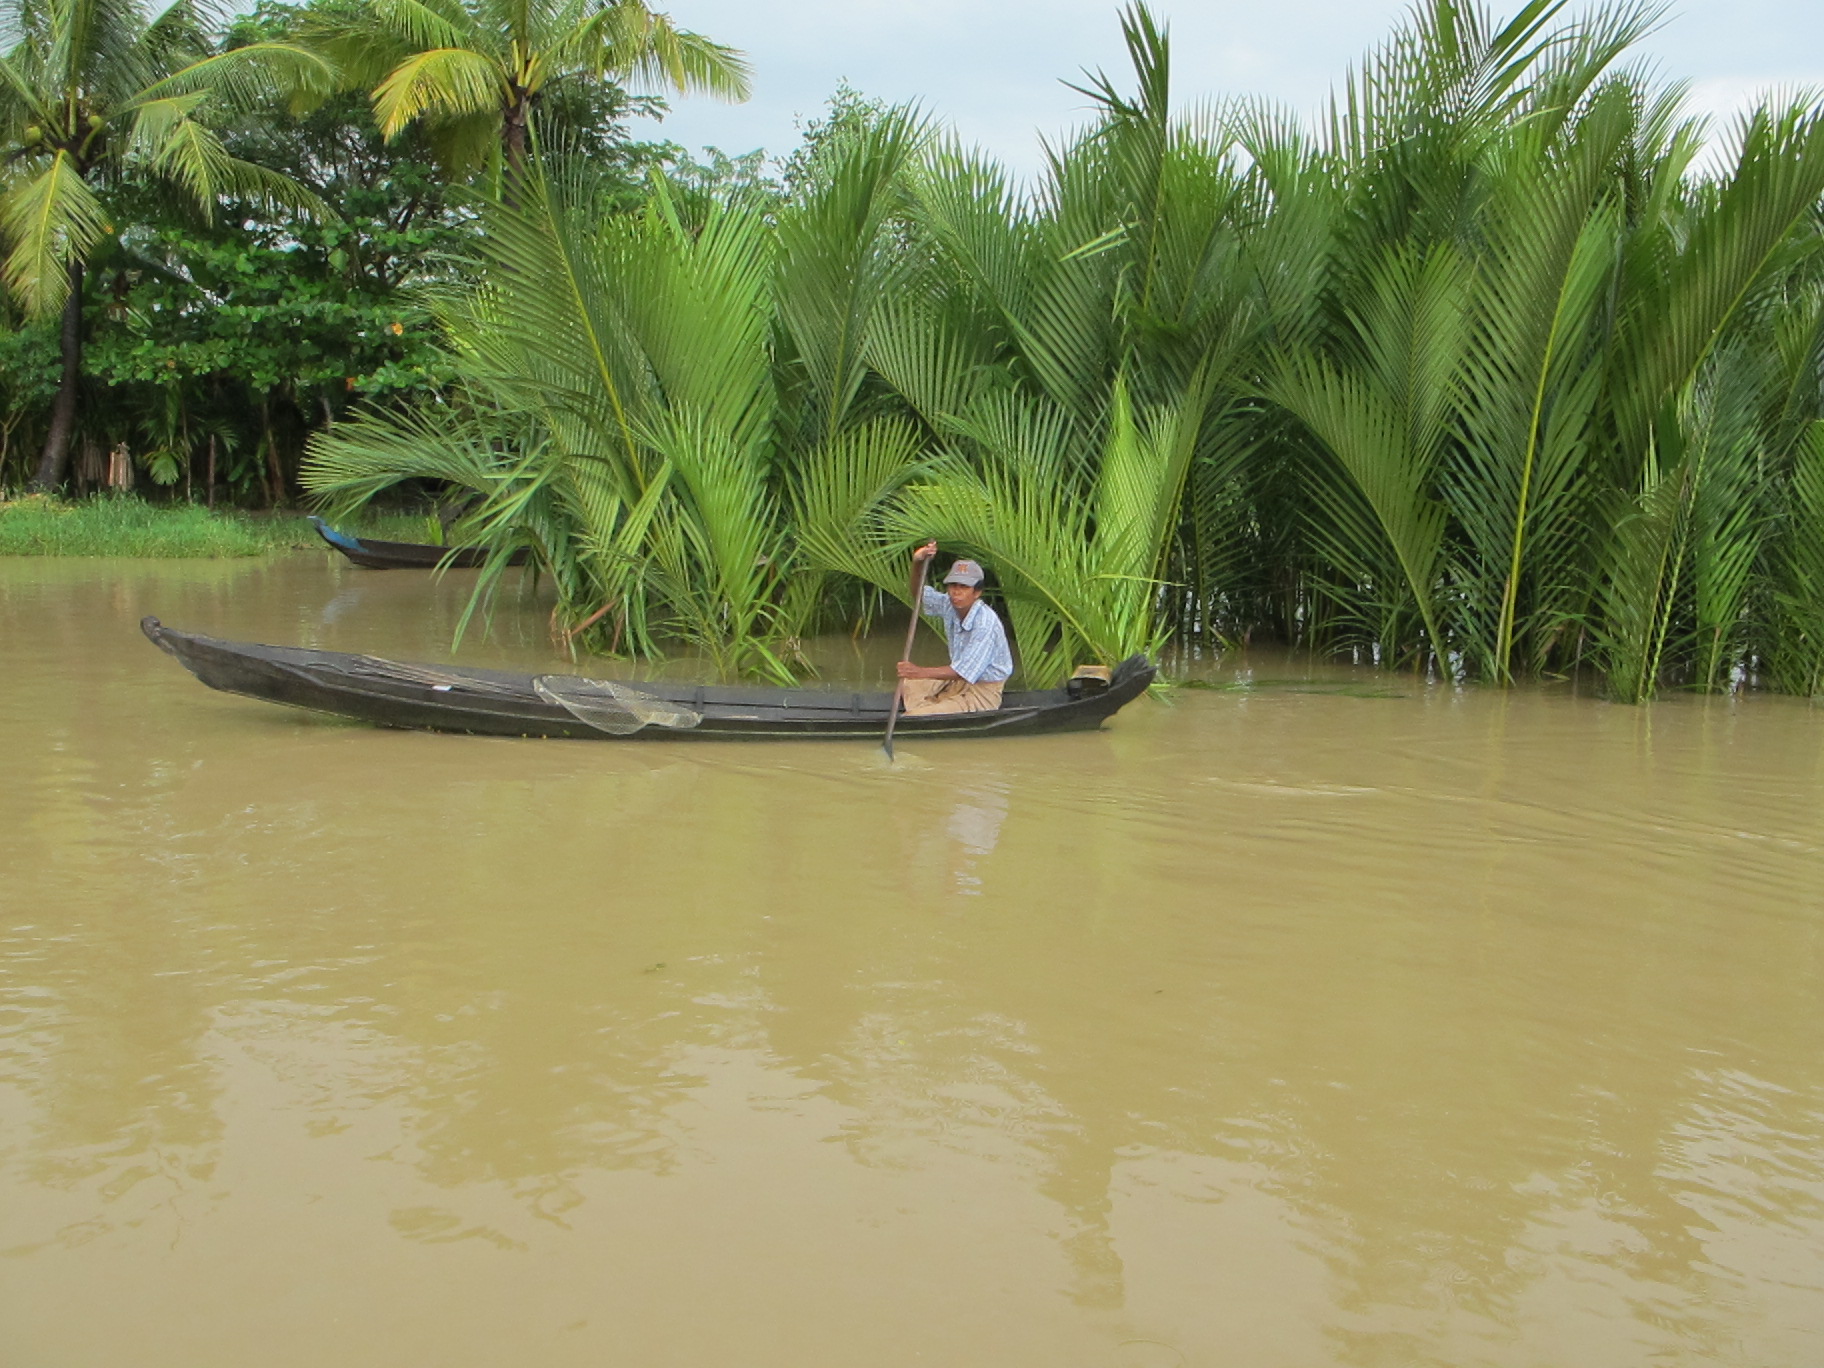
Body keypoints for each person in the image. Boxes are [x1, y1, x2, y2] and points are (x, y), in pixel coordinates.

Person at [897, 541, 1014, 715]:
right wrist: (918, 562)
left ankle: (928, 709)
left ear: (977, 592)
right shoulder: (949, 604)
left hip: (982, 691)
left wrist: (919, 672)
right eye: (953, 585)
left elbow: (963, 671)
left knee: (915, 715)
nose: (956, 592)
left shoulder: (985, 623)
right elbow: (919, 594)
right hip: (958, 681)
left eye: (964, 587)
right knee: (908, 684)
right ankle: (938, 705)